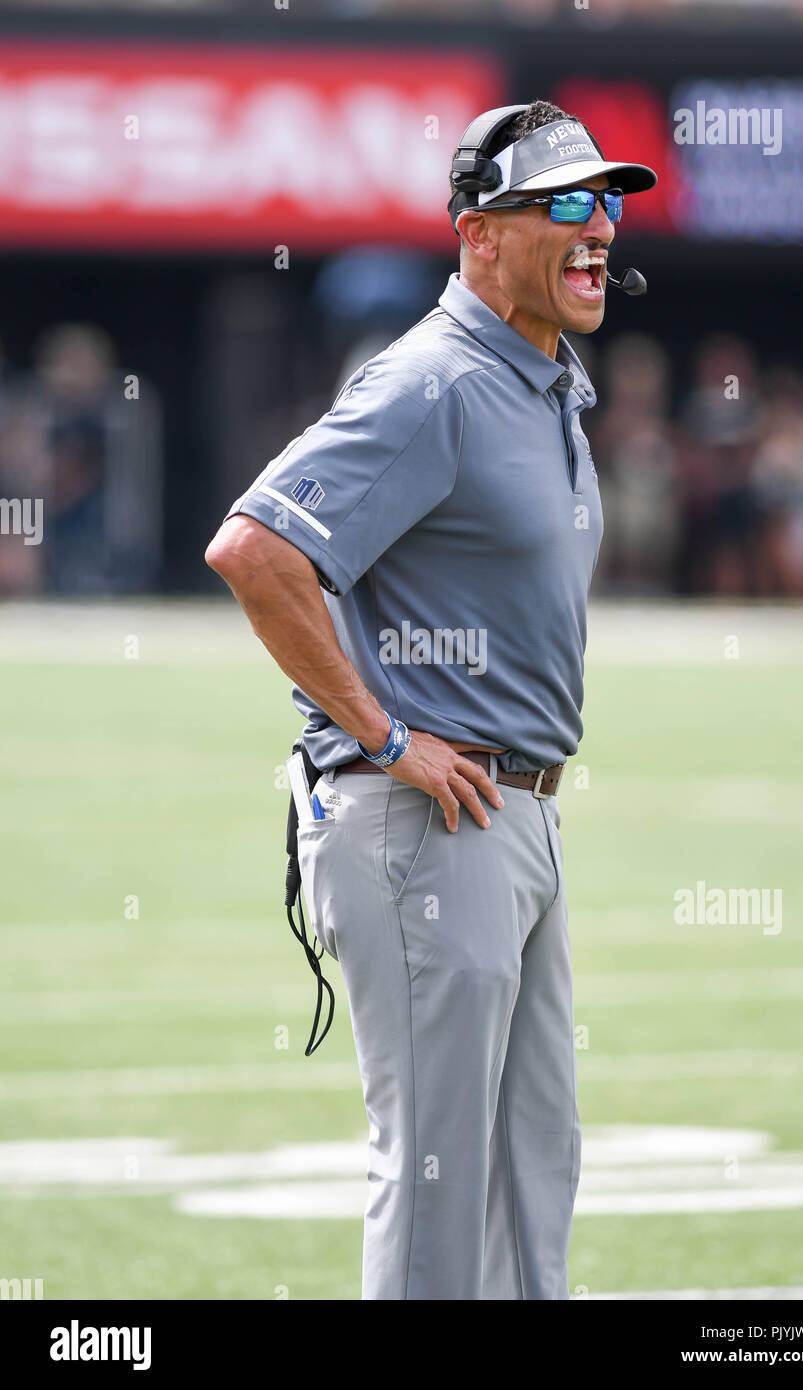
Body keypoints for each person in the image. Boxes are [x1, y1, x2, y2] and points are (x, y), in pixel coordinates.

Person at [205, 99, 657, 1300]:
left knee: (529, 1168)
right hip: (425, 824)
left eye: (604, 202)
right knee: (440, 1180)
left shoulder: (542, 382)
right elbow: (255, 550)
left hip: (517, 816)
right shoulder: (433, 383)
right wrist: (385, 733)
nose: (596, 227)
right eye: (563, 205)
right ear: (478, 238)